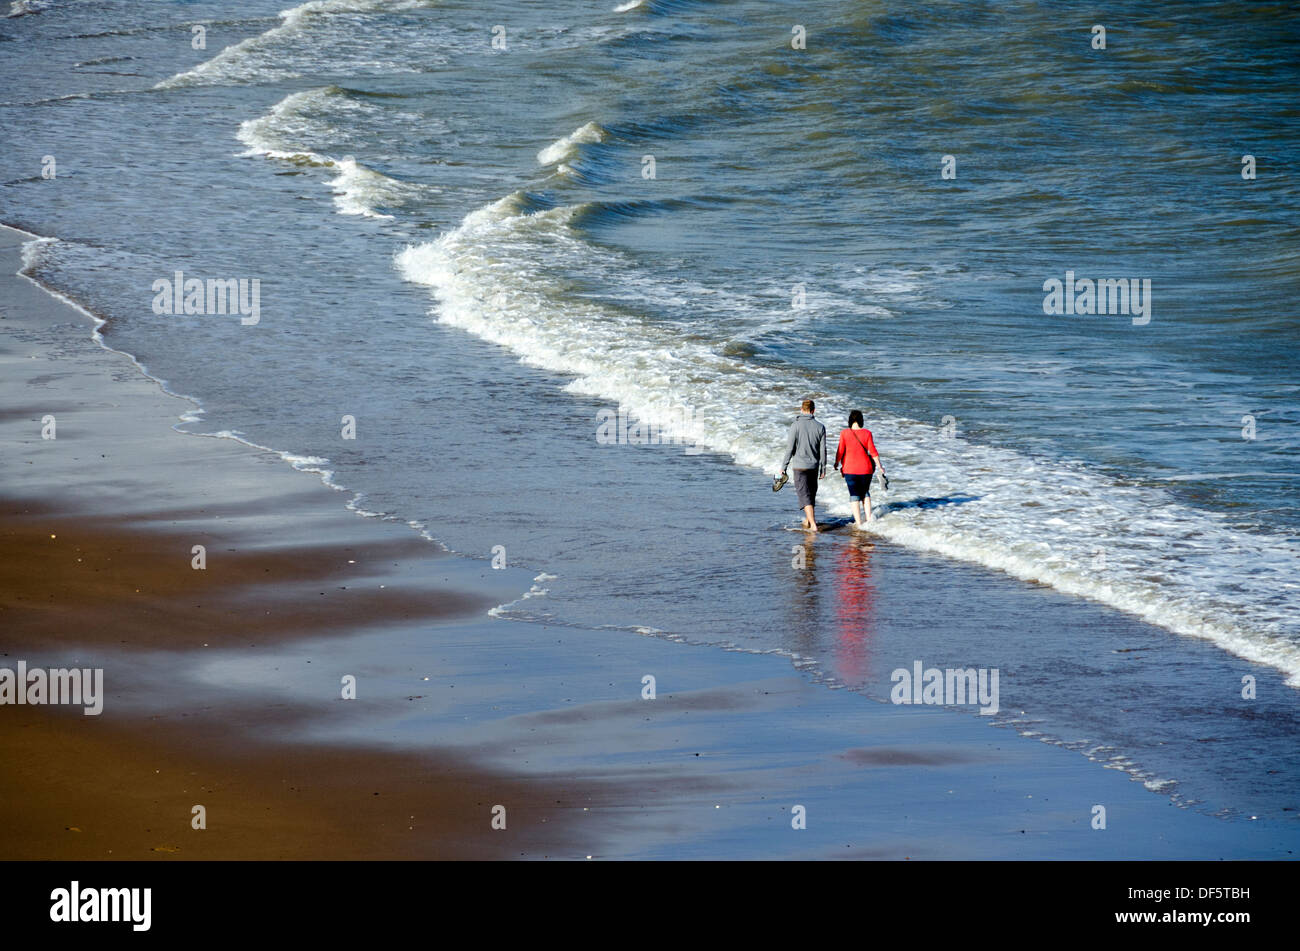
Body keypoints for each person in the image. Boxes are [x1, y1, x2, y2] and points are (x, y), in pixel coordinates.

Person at [780, 399, 828, 533]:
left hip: (799, 467)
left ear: (801, 410)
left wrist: (783, 466)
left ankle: (813, 524)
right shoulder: (820, 427)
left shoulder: (795, 425)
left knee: (804, 495)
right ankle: (808, 520)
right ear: (813, 411)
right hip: (813, 466)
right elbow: (823, 450)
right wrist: (823, 468)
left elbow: (790, 448)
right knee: (811, 494)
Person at [834, 409, 884, 526]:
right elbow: (873, 452)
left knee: (854, 495)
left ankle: (859, 523)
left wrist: (836, 463)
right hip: (866, 469)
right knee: (865, 493)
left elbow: (840, 451)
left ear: (850, 420)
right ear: (861, 420)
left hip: (850, 469)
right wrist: (880, 466)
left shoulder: (844, 433)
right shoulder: (867, 433)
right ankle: (869, 519)